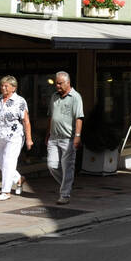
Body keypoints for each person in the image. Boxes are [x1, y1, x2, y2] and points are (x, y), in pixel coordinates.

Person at [0, 75, 32, 202]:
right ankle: (18, 179)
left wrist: (29, 138)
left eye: (6, 86)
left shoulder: (20, 101)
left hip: (14, 136)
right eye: (2, 85)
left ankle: (5, 191)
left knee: (8, 162)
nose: (3, 88)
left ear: (13, 88)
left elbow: (26, 121)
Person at [47, 71, 84, 204]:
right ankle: (67, 183)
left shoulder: (75, 97)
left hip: (68, 138)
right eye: (56, 83)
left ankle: (65, 194)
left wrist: (77, 136)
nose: (57, 85)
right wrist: (48, 134)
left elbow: (79, 117)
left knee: (67, 167)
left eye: (60, 83)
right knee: (52, 165)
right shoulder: (54, 96)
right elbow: (51, 117)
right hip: (53, 137)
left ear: (68, 83)